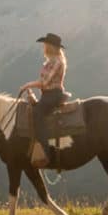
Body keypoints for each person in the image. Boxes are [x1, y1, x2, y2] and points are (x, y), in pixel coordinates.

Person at [18, 33, 68, 168]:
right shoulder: (52, 60)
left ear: (51, 46)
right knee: (34, 110)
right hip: (48, 95)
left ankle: (45, 152)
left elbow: (45, 82)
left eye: (45, 44)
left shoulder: (57, 61)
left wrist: (27, 85)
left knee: (37, 114)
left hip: (53, 95)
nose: (44, 47)